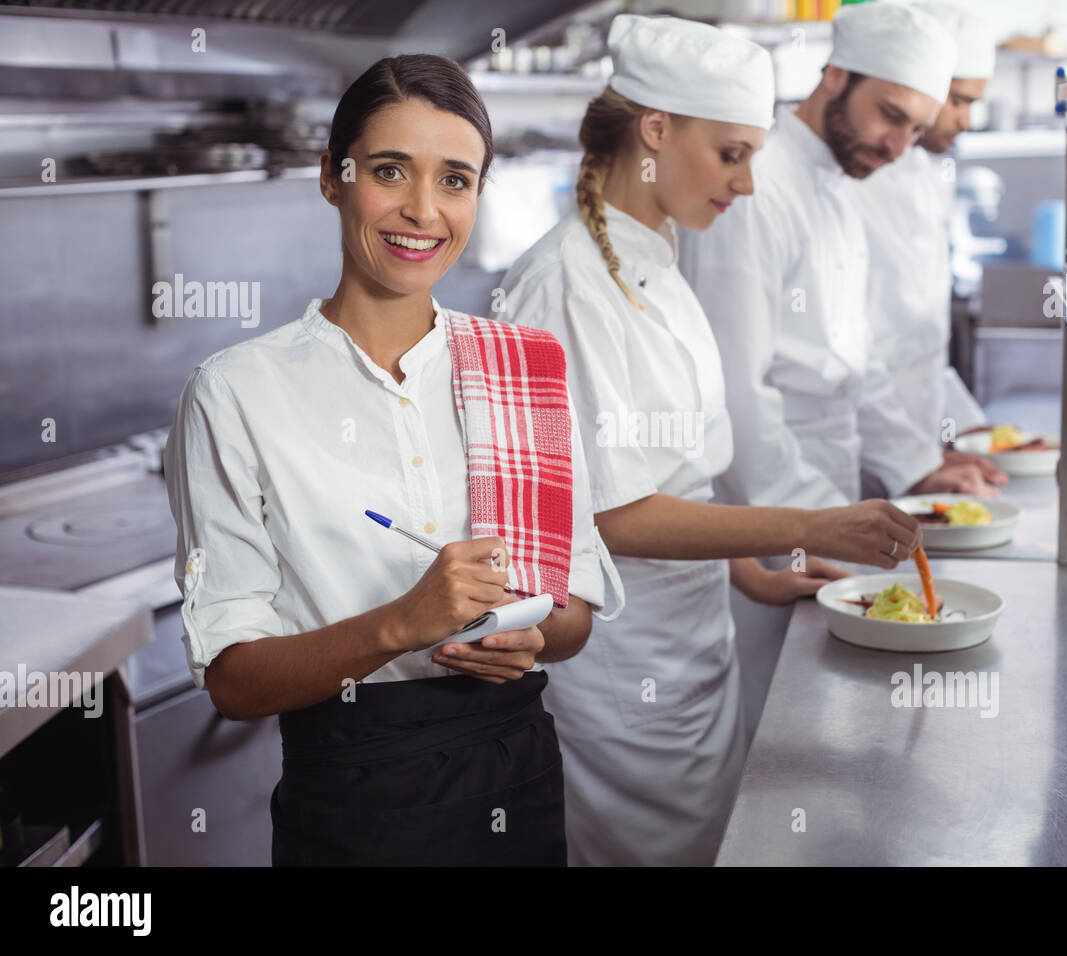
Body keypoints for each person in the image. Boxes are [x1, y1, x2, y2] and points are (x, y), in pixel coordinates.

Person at [163, 54, 617, 866]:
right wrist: (401, 624)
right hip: (352, 800)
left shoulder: (528, 369)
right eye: (388, 172)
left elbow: (573, 614)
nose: (422, 211)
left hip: (518, 774)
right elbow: (233, 680)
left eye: (455, 180)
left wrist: (532, 637)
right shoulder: (236, 394)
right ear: (333, 179)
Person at [499, 14, 923, 866]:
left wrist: (752, 577)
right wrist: (806, 526)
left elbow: (679, 475)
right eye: (732, 154)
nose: (749, 185)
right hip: (620, 668)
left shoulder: (656, 258)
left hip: (695, 648)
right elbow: (612, 517)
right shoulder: (567, 285)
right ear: (655, 129)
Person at [679, 0, 999, 509]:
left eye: (916, 130)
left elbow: (857, 363)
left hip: (829, 489)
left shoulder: (841, 186)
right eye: (891, 116)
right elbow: (737, 392)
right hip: (768, 505)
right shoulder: (755, 189)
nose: (898, 147)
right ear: (835, 76)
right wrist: (809, 524)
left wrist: (916, 467)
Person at [855, 2, 1007, 463]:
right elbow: (853, 351)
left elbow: (918, 342)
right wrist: (914, 461)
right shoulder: (856, 179)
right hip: (863, 447)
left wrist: (965, 423)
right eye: (959, 101)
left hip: (915, 443)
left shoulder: (926, 174)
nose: (967, 120)